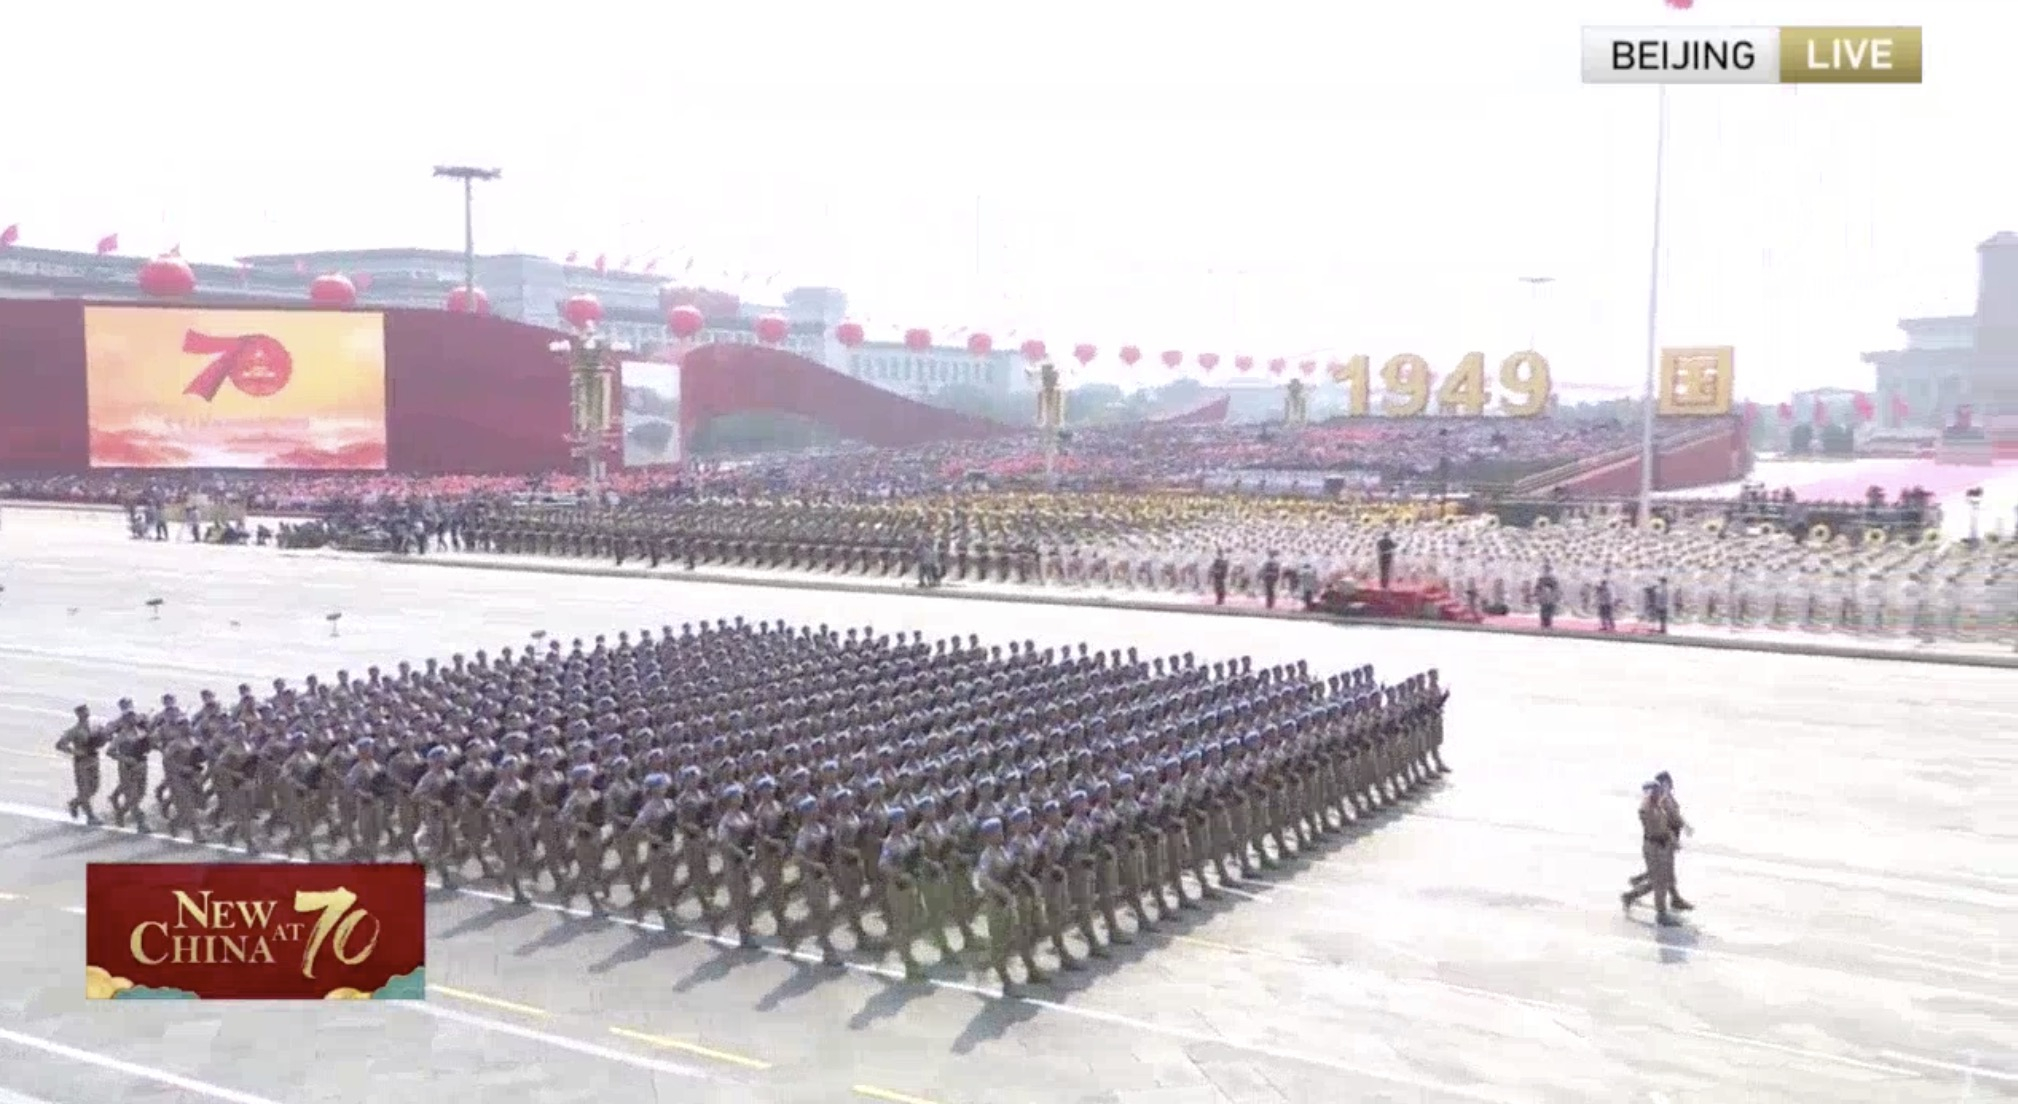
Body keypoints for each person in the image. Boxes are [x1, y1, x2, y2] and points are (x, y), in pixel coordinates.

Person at [1622, 781, 1682, 926]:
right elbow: (1647, 814)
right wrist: (1650, 796)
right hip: (1653, 847)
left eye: (1658, 790)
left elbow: (1665, 826)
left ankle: (1630, 895)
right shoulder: (1646, 808)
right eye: (1655, 791)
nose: (1658, 793)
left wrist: (1673, 841)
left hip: (1663, 845)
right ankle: (1661, 915)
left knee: (1664, 880)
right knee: (1659, 882)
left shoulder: (1658, 806)